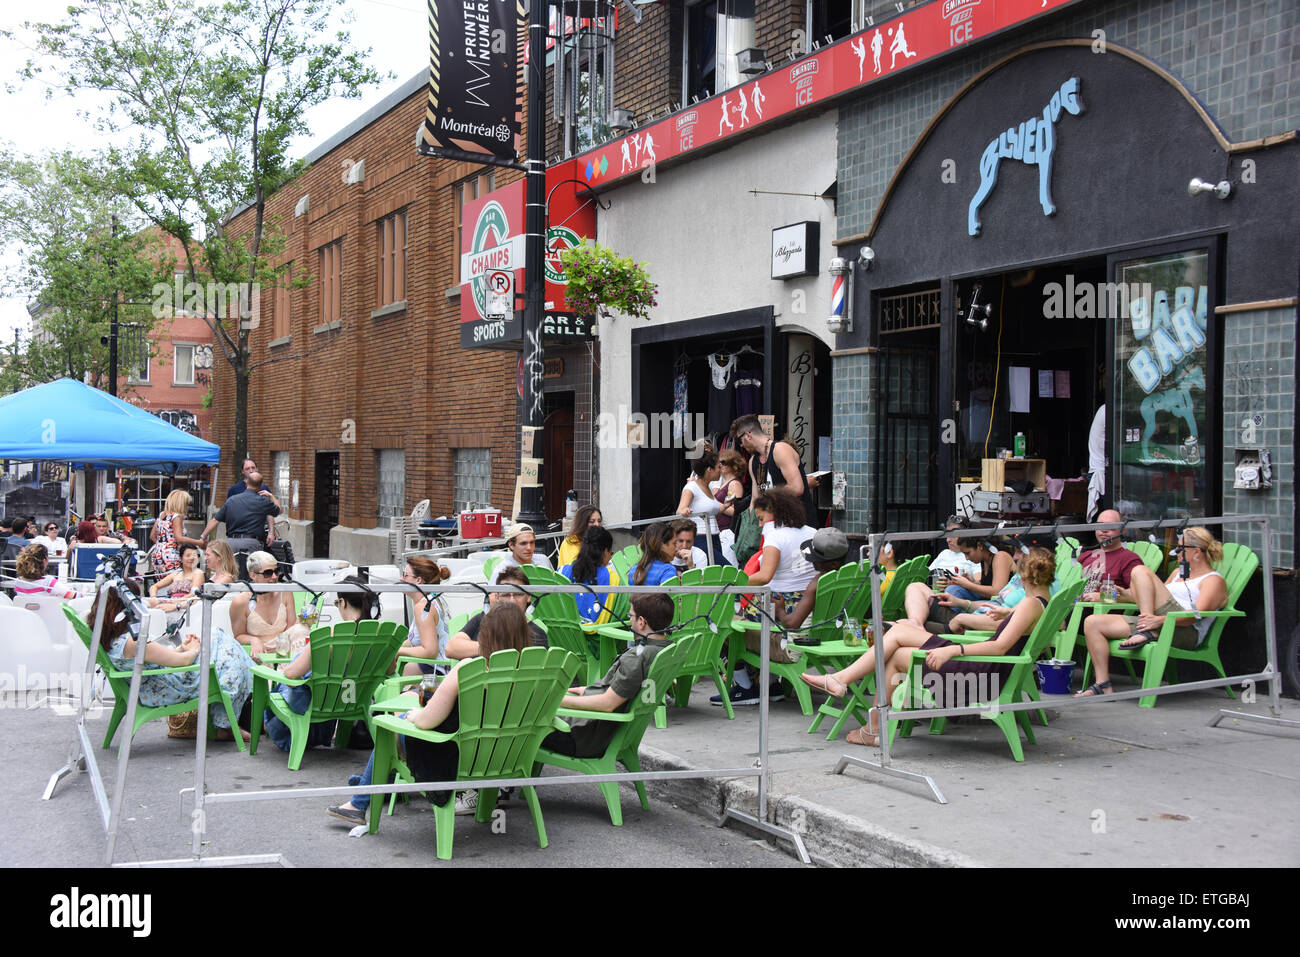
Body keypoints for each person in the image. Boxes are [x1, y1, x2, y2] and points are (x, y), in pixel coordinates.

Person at [803, 547, 1056, 746]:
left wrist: (953, 650)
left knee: (899, 636)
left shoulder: (1029, 605)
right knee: (898, 649)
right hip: (988, 670)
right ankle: (864, 712)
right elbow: (1019, 626)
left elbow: (1000, 647)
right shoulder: (1043, 602)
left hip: (979, 677)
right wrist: (1006, 612)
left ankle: (858, 704)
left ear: (1024, 576)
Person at [326, 600, 534, 824]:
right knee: (403, 718)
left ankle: (359, 803)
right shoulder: (533, 674)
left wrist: (412, 716)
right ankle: (367, 785)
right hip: (502, 758)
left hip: (453, 758)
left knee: (390, 726)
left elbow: (426, 722)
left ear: (486, 635)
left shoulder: (467, 670)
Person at [90, 578, 252, 742]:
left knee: (217, 639)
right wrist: (193, 649)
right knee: (224, 645)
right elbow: (183, 662)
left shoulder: (110, 636)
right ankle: (229, 720)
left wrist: (183, 648)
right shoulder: (134, 642)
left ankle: (226, 721)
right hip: (168, 687)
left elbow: (159, 656)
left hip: (151, 683)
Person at [1076, 527, 1227, 697]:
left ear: (1196, 552)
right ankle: (1103, 684)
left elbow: (1195, 616)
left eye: (1179, 548)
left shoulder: (1213, 580)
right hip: (1157, 623)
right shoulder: (1177, 573)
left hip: (1184, 631)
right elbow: (1150, 595)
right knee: (1093, 623)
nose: (1175, 552)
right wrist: (1126, 596)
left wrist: (1158, 621)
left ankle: (1146, 627)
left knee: (1140, 570)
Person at [539, 592, 675, 758]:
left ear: (641, 622)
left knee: (521, 721)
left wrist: (555, 701)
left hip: (583, 737)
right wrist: (589, 690)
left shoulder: (637, 658)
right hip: (608, 735)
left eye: (630, 616)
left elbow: (608, 704)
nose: (629, 621)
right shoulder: (665, 650)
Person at [714, 487, 816, 706]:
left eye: (761, 519)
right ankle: (769, 684)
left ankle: (744, 686)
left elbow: (764, 576)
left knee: (722, 625)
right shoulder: (812, 532)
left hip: (783, 616)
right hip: (808, 614)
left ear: (774, 512)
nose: (760, 525)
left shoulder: (775, 535)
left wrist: (732, 584)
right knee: (749, 614)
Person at [261, 574, 374, 755]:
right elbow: (390, 670)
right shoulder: (378, 634)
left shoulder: (330, 637)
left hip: (316, 704)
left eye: (337, 603)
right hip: (352, 700)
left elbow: (291, 674)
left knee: (284, 679)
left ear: (343, 602)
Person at [902, 532, 1014, 633]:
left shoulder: (1000, 556)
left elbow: (998, 591)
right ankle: (921, 621)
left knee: (945, 592)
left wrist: (968, 585)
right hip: (979, 611)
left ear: (980, 546)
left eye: (968, 553)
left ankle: (935, 622)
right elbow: (989, 587)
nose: (966, 558)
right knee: (922, 588)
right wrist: (970, 582)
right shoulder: (985, 559)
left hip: (986, 614)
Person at [730, 414, 817, 528]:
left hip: (798, 526)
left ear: (748, 435)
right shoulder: (753, 462)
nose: (741, 445)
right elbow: (755, 499)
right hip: (772, 528)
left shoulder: (780, 450)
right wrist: (751, 525)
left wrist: (768, 496)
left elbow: (797, 488)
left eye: (740, 440)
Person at [445, 564, 547, 659]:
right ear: (497, 597)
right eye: (506, 595)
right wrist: (493, 648)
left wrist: (482, 649)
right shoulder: (482, 618)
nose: (512, 600)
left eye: (518, 594)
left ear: (528, 597)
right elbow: (450, 649)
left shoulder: (537, 633)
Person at [230, 550, 305, 661]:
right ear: (253, 575)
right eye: (268, 573)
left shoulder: (285, 593)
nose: (274, 577)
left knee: (302, 629)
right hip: (259, 653)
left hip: (285, 649)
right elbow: (238, 636)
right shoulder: (241, 601)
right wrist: (254, 640)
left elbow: (291, 628)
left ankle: (288, 669)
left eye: (277, 571)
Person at [775, 527, 850, 629]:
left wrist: (780, 610)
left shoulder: (818, 583)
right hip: (842, 635)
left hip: (808, 639)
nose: (811, 561)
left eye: (816, 559)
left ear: (833, 564)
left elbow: (792, 624)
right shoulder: (856, 576)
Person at [397, 556, 454, 676]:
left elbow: (430, 651)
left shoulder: (423, 606)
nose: (401, 578)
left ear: (418, 580)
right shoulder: (435, 599)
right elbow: (417, 638)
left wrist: (398, 652)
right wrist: (394, 648)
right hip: (442, 667)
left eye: (405, 575)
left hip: (435, 671)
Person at [201, 471, 281, 556]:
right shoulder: (263, 501)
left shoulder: (231, 500)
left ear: (246, 483)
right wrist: (271, 496)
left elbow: (214, 520)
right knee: (251, 568)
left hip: (231, 543)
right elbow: (279, 510)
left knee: (230, 569)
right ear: (261, 486)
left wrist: (202, 537)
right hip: (252, 544)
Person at [1077, 508, 1145, 600]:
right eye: (1099, 525)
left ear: (1123, 530)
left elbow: (1140, 593)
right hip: (1075, 605)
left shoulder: (1129, 559)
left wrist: (1103, 597)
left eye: (1110, 526)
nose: (1104, 530)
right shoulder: (1087, 555)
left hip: (1102, 610)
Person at [560, 526, 621, 626]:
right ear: (605, 552)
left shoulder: (563, 571)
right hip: (596, 637)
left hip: (566, 632)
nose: (610, 557)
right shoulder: (610, 576)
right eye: (611, 553)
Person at [676, 445, 722, 562]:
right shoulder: (691, 487)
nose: (720, 471)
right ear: (709, 470)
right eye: (718, 467)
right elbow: (680, 510)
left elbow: (713, 511)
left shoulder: (708, 488)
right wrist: (685, 511)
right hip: (702, 539)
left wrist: (726, 505)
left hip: (715, 538)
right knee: (727, 573)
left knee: (717, 577)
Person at [149, 489, 205, 579]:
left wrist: (163, 546)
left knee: (162, 583)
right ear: (181, 504)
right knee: (175, 583)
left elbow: (152, 536)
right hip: (171, 556)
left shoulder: (162, 515)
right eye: (186, 504)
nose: (187, 507)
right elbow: (179, 538)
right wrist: (199, 542)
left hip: (157, 555)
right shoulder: (176, 517)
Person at [147, 543, 206, 613]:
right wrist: (153, 598)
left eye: (194, 555)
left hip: (184, 604)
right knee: (147, 603)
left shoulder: (198, 573)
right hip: (170, 601)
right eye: (188, 555)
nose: (191, 558)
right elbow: (154, 587)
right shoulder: (176, 574)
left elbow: (193, 594)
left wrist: (174, 602)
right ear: (181, 559)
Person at [487, 523, 553, 584]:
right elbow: (492, 595)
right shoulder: (503, 569)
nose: (529, 548)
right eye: (523, 543)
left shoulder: (543, 560)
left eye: (532, 542)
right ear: (511, 545)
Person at [13, 543, 78, 599]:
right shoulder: (49, 582)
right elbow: (73, 595)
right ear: (44, 561)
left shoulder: (18, 582)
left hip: (25, 613)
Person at [628, 522, 680, 587]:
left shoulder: (633, 571)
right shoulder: (667, 570)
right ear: (661, 545)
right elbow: (670, 596)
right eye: (674, 544)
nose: (677, 549)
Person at [556, 505, 603, 570]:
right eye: (592, 521)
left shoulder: (596, 540)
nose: (597, 524)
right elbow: (574, 570)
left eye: (599, 521)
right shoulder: (571, 542)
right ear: (582, 523)